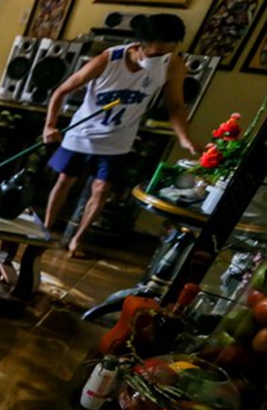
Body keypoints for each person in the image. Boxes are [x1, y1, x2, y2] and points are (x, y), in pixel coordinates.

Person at [42, 13, 196, 258]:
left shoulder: (174, 64)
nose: (161, 60)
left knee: (101, 191)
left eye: (166, 53)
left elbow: (176, 106)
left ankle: (76, 241)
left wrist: (184, 138)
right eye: (155, 54)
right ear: (139, 46)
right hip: (81, 134)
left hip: (117, 141)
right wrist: (49, 125)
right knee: (64, 181)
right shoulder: (108, 59)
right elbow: (62, 90)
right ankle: (46, 232)